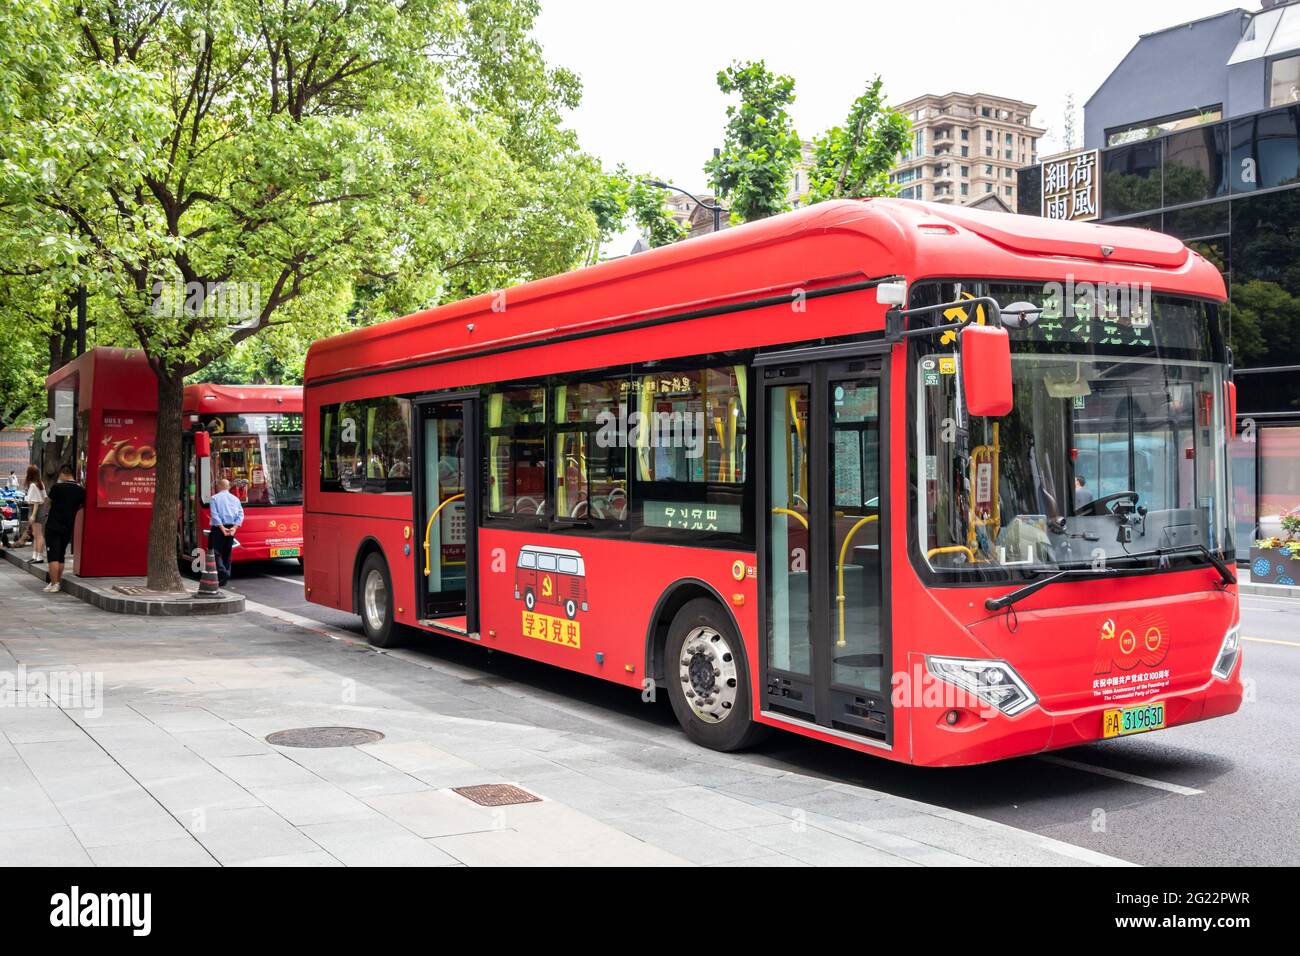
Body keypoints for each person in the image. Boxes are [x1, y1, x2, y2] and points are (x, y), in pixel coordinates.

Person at [42, 465, 85, 593]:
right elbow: (81, 505)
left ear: (63, 473)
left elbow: (47, 502)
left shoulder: (57, 488)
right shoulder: (80, 490)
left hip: (53, 525)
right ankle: (55, 582)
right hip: (68, 526)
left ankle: (55, 583)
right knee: (61, 555)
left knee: (53, 556)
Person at [207, 478, 244, 587]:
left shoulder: (214, 498)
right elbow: (241, 515)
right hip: (231, 528)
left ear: (218, 487)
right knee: (227, 553)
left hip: (219, 528)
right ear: (228, 487)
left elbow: (215, 515)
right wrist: (234, 528)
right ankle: (223, 580)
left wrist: (222, 529)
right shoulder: (235, 499)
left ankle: (224, 572)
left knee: (215, 552)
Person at [20, 465, 47, 563]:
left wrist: (33, 515)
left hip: (35, 510)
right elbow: (44, 498)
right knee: (36, 534)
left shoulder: (32, 485)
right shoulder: (40, 483)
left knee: (38, 535)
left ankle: (39, 557)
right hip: (40, 509)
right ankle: (36, 556)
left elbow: (35, 501)